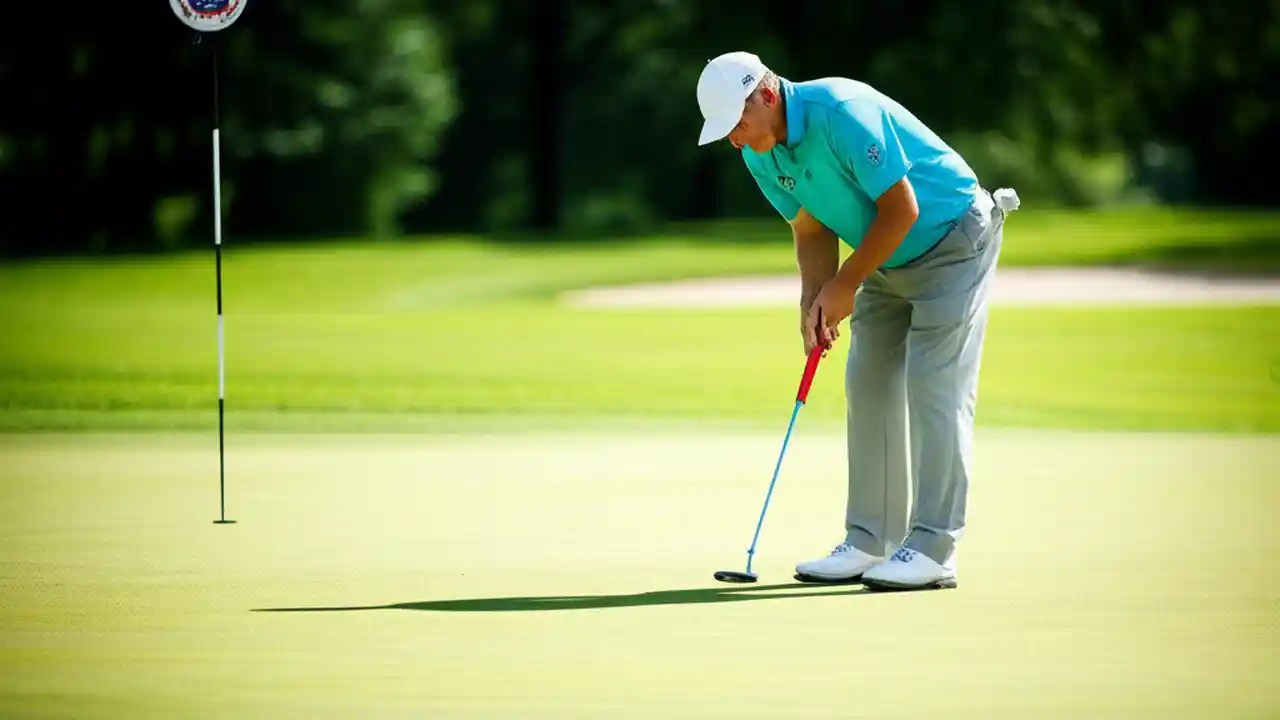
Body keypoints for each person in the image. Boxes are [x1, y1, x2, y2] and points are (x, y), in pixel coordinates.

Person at [695, 51, 1019, 591]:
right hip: (885, 255)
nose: (733, 138)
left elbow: (902, 209)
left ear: (768, 95)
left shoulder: (841, 110)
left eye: (737, 122)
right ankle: (871, 540)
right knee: (867, 382)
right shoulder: (759, 150)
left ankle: (934, 548)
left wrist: (845, 284)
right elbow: (810, 227)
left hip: (953, 237)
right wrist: (815, 299)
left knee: (932, 386)